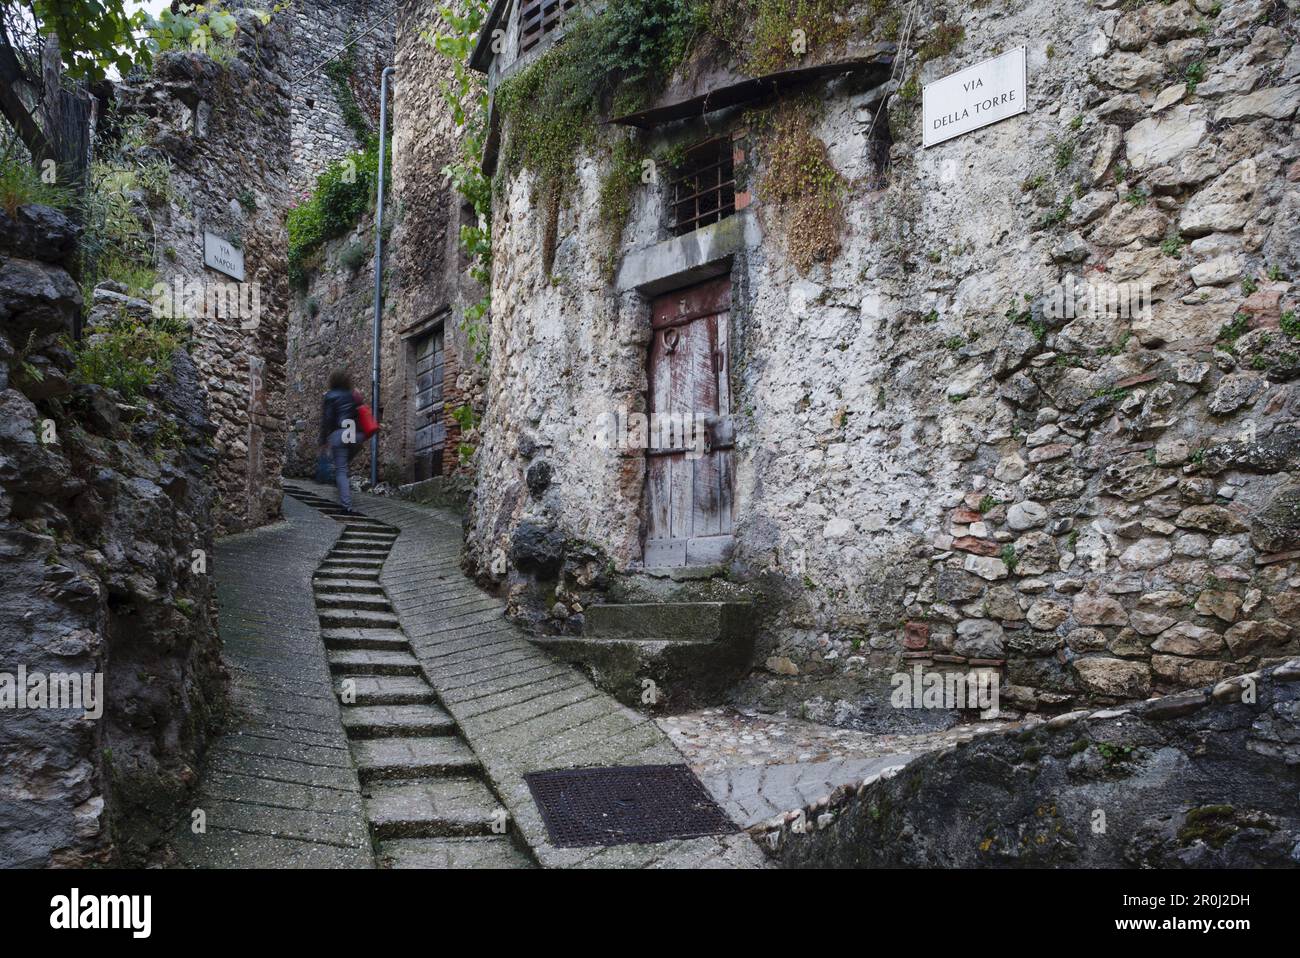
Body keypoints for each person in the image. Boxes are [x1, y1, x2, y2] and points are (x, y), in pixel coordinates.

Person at [319, 370, 359, 514]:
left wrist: (324, 440)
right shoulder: (352, 396)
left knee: (341, 470)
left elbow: (327, 419)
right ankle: (343, 490)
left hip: (339, 434)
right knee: (343, 468)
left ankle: (346, 505)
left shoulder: (330, 396)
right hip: (352, 434)